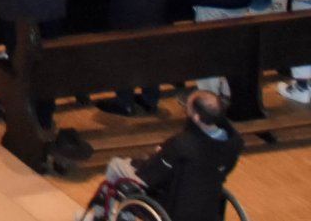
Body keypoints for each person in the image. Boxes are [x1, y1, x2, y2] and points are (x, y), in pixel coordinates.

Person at [104, 90, 242, 221]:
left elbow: (149, 176)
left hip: (173, 208)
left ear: (196, 117)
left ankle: (103, 216)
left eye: (188, 108)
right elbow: (225, 171)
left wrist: (152, 157)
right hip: (208, 207)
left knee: (116, 165)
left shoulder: (182, 144)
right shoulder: (234, 142)